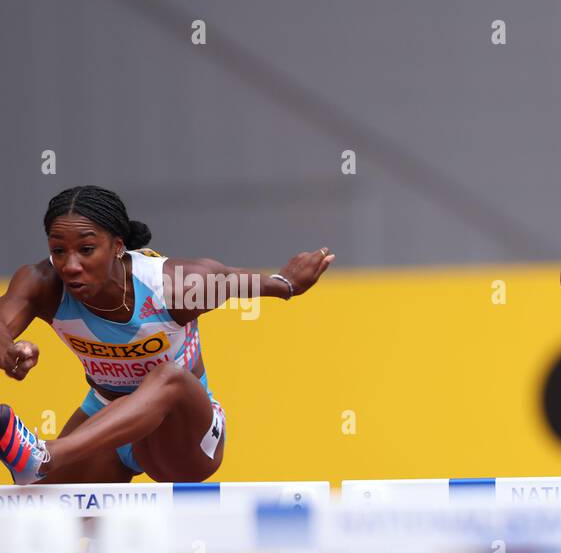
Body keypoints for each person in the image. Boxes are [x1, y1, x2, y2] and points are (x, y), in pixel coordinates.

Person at [0, 185, 334, 485]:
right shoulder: (42, 284)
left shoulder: (176, 286)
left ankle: (46, 455)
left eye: (86, 249)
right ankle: (42, 464)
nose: (70, 265)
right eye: (59, 251)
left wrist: (286, 285)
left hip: (182, 434)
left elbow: (238, 281)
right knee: (34, 513)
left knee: (169, 377)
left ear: (117, 246)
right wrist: (9, 351)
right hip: (106, 420)